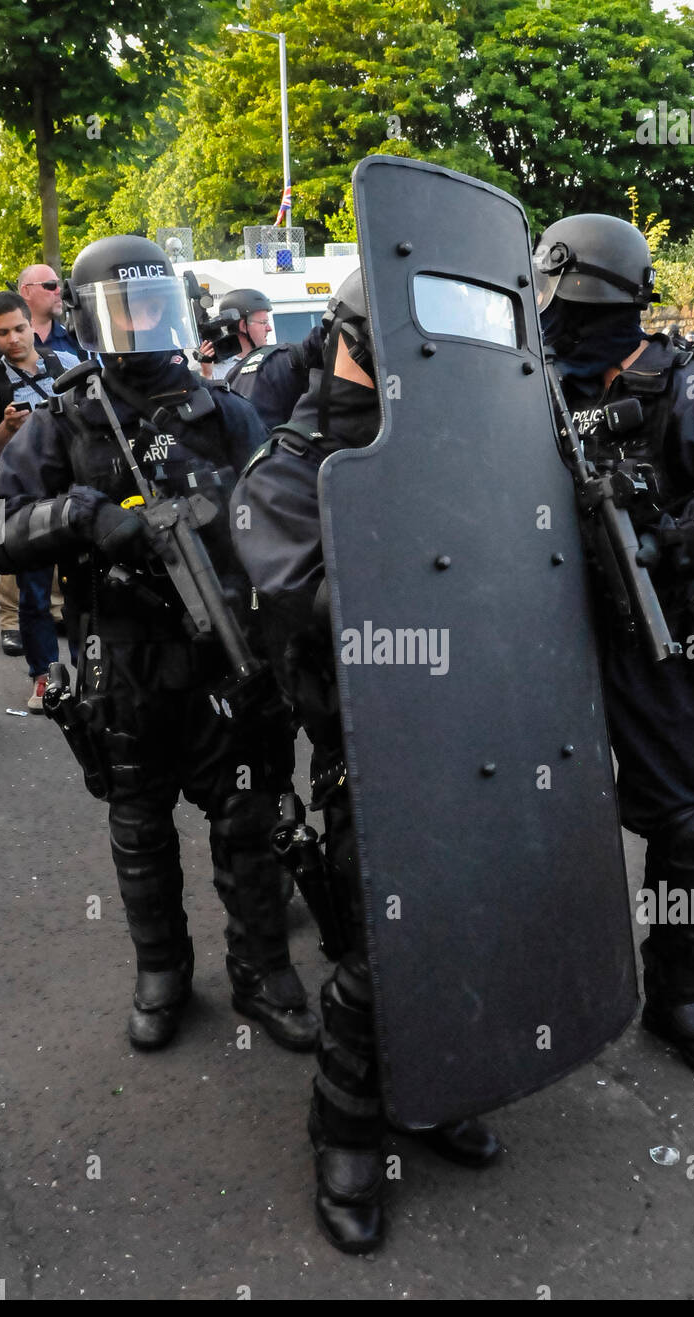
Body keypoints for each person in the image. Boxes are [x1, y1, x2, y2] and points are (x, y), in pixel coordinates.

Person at [0, 235, 318, 1053]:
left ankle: (263, 972)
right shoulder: (65, 419)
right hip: (124, 661)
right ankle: (162, 970)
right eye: (121, 309)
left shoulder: (226, 410)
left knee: (247, 823)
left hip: (224, 656)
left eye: (151, 305)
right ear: (91, 317)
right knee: (139, 826)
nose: (139, 323)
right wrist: (80, 516)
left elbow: (283, 516)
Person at [230, 271, 501, 1255]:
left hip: (486, 727)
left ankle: (430, 1093)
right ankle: (344, 1133)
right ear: (365, 345)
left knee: (468, 926)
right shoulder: (287, 470)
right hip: (372, 746)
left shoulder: (448, 445)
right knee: (377, 955)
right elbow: (308, 603)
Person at [533, 214, 694, 1094]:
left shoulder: (682, 384)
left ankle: (678, 999)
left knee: (682, 822)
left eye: (579, 306)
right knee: (523, 817)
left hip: (652, 624)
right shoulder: (527, 384)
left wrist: (670, 541)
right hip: (534, 633)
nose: (561, 321)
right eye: (555, 302)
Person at [0, 291, 79, 710]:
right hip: (19, 499)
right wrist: (7, 429)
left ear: (30, 323)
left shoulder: (65, 366)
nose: (13, 339)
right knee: (32, 593)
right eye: (2, 333)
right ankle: (43, 678)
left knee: (83, 587)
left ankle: (90, 673)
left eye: (18, 328)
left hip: (69, 490)